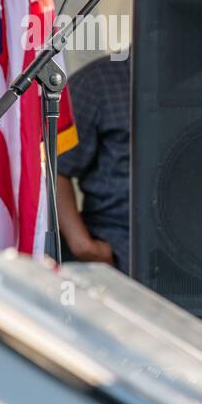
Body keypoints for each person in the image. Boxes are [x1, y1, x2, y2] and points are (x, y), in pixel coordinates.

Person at [56, 53, 131, 272]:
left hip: (194, 256)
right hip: (114, 254)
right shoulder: (96, 82)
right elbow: (53, 167)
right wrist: (82, 244)